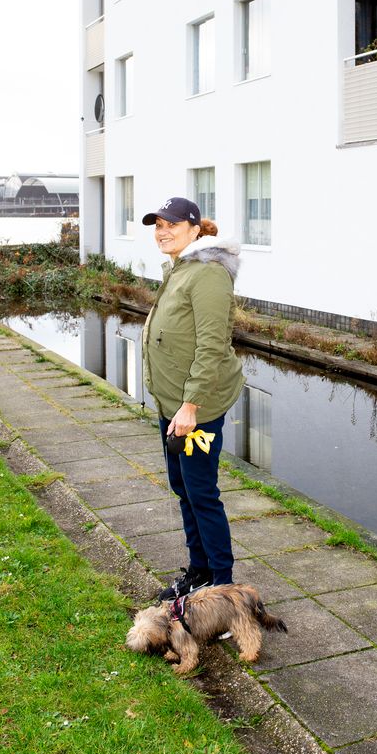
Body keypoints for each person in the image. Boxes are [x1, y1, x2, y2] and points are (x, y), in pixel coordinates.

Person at [141, 196, 244, 600]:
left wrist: (190, 407)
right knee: (183, 488)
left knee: (201, 494)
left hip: (196, 408)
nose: (162, 232)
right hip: (172, 405)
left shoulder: (208, 274)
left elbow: (212, 345)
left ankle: (223, 589)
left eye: (172, 225)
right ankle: (200, 572)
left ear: (195, 230)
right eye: (158, 225)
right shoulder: (180, 267)